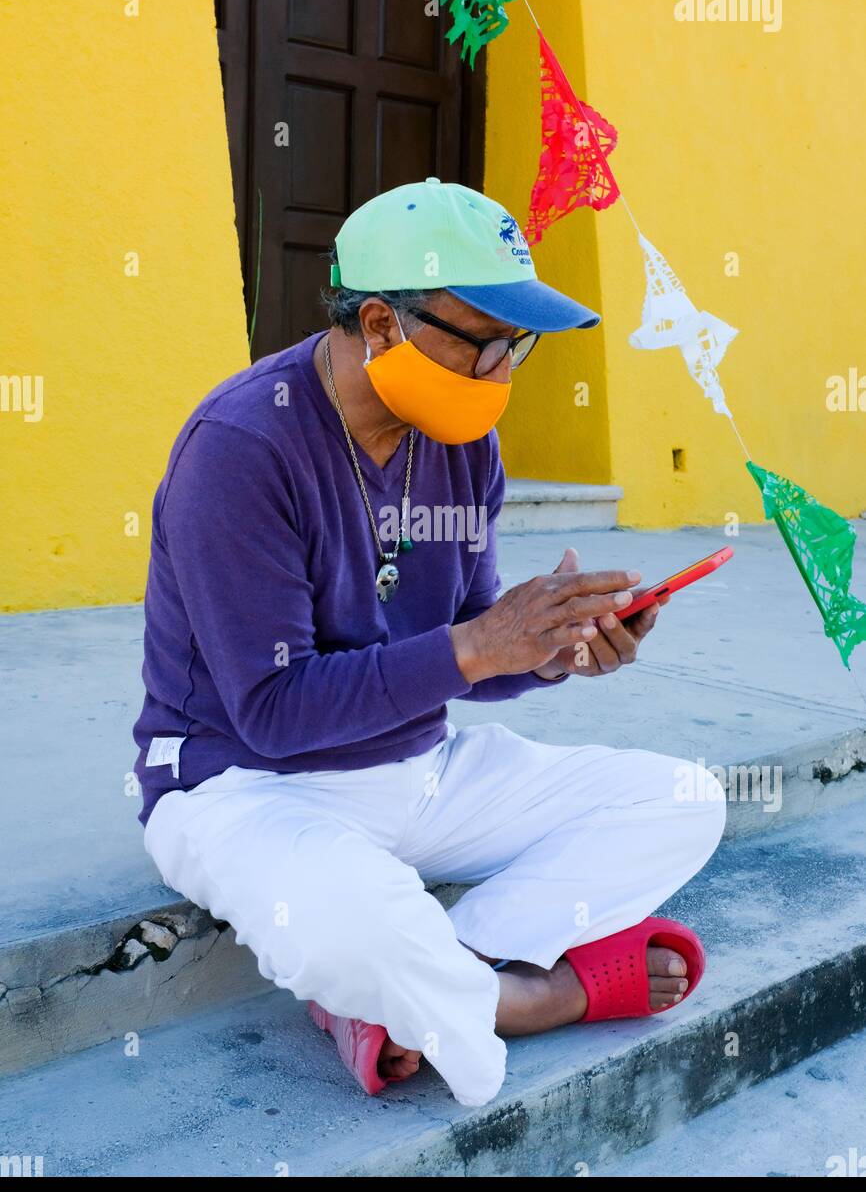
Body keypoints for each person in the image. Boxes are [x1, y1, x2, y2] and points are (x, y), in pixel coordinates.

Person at [134, 178, 726, 1107]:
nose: (503, 372)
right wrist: (481, 646)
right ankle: (537, 995)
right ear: (380, 324)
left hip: (421, 770)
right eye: (484, 341)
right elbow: (275, 714)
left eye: (517, 344)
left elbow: (469, 650)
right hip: (247, 788)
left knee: (684, 798)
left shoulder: (458, 436)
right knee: (346, 922)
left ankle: (421, 982)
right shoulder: (240, 447)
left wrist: (554, 649)